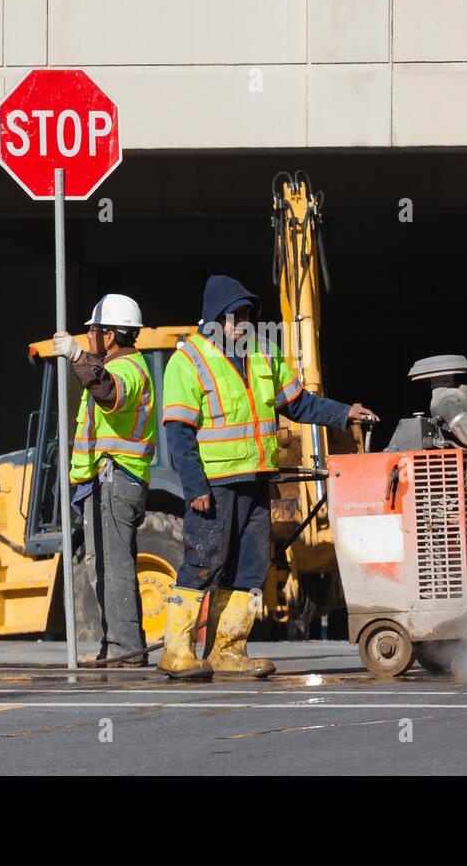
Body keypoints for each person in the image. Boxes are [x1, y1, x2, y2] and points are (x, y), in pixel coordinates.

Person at [158, 276, 377, 679]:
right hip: (215, 485)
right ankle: (176, 651)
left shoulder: (263, 352)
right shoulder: (187, 361)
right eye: (234, 315)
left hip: (257, 480)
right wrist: (195, 488)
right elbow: (179, 433)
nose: (242, 322)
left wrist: (344, 413)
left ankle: (228, 650)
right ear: (215, 318)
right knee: (203, 563)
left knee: (250, 568)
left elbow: (300, 404)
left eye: (246, 314)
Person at [53, 294, 156, 667]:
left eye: (92, 330)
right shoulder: (118, 364)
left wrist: (78, 357)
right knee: (104, 567)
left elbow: (108, 394)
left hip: (115, 479)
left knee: (112, 568)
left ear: (110, 336)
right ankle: (118, 646)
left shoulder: (128, 368)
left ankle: (123, 649)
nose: (88, 335)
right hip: (105, 480)